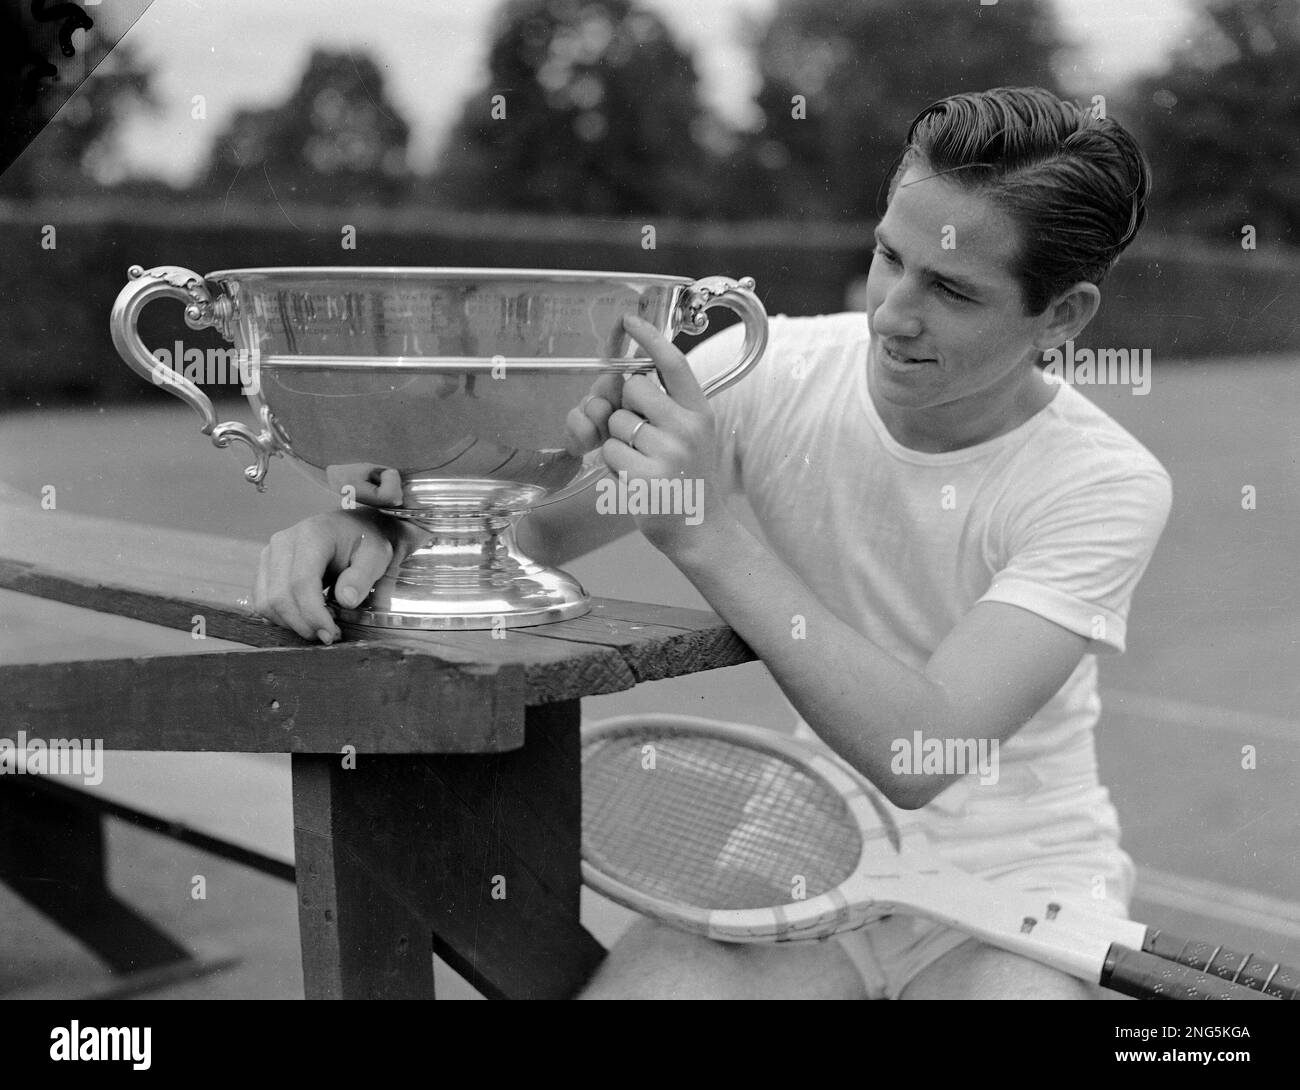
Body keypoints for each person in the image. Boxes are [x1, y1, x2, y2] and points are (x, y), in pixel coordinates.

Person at [254, 86, 1171, 999]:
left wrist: (705, 531)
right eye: (890, 256)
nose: (894, 311)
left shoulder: (1104, 483)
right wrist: (376, 524)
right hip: (800, 846)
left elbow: (920, 753)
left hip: (1019, 893)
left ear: (1062, 317)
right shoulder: (766, 370)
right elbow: (524, 530)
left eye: (954, 290)